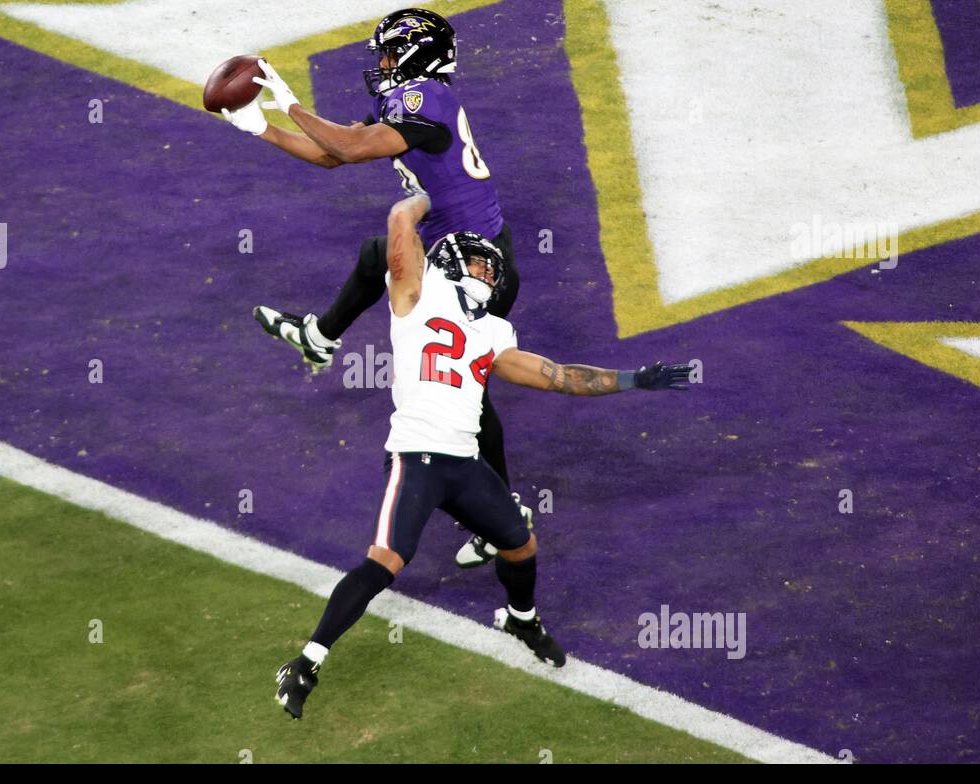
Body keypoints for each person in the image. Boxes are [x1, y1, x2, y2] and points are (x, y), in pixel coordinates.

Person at [274, 193, 692, 719]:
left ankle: (521, 618)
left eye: (492, 267)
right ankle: (306, 662)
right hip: (416, 457)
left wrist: (634, 379)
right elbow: (400, 219)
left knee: (521, 544)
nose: (488, 274)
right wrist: (428, 196)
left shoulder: (492, 331)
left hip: (465, 462)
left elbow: (560, 377)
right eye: (478, 263)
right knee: (385, 562)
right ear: (447, 263)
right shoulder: (415, 294)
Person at [221, 7, 525, 568]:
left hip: (475, 269)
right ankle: (320, 337)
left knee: (469, 399)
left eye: (388, 54)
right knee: (376, 255)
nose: (381, 64)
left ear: (414, 57)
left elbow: (352, 148)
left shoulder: (423, 100)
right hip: (451, 249)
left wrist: (290, 105)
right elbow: (333, 153)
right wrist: (261, 127)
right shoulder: (410, 98)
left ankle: (503, 514)